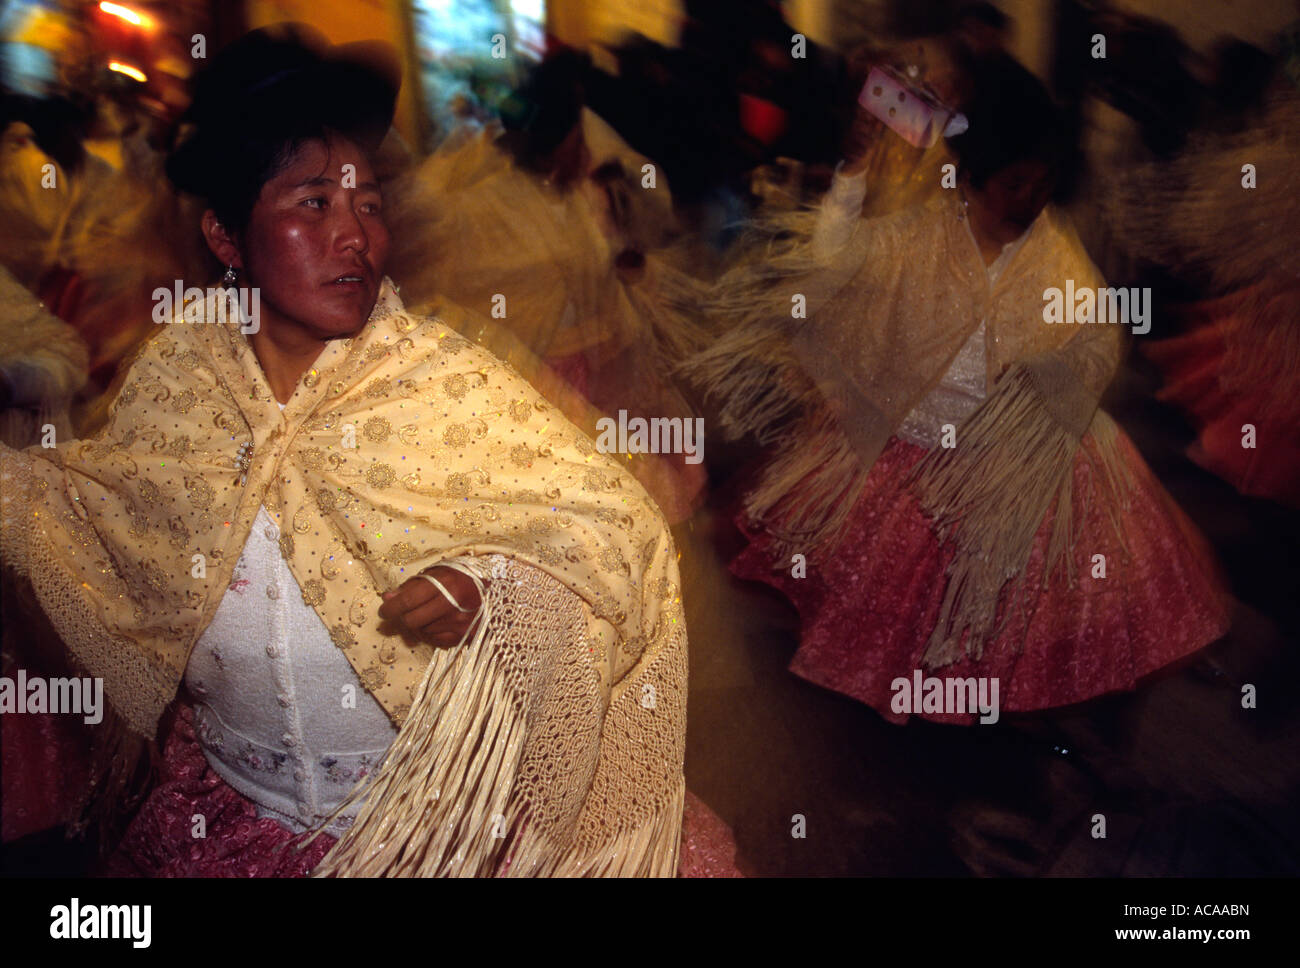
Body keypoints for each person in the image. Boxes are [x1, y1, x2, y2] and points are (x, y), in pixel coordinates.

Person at [0, 24, 688, 877]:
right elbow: (103, 507)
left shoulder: (444, 381)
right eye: (314, 203)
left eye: (368, 205)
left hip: (432, 829)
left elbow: (614, 527)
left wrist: (500, 590)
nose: (356, 235)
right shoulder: (175, 384)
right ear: (225, 240)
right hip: (229, 812)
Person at [685, 57, 1231, 723]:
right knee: (916, 614)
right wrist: (852, 176)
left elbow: (1097, 335)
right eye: (1015, 183)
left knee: (1027, 617)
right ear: (970, 178)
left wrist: (1031, 394)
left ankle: (1018, 718)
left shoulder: (1054, 249)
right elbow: (830, 271)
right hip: (924, 451)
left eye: (1044, 183)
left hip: (1025, 459)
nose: (1031, 199)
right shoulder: (919, 236)